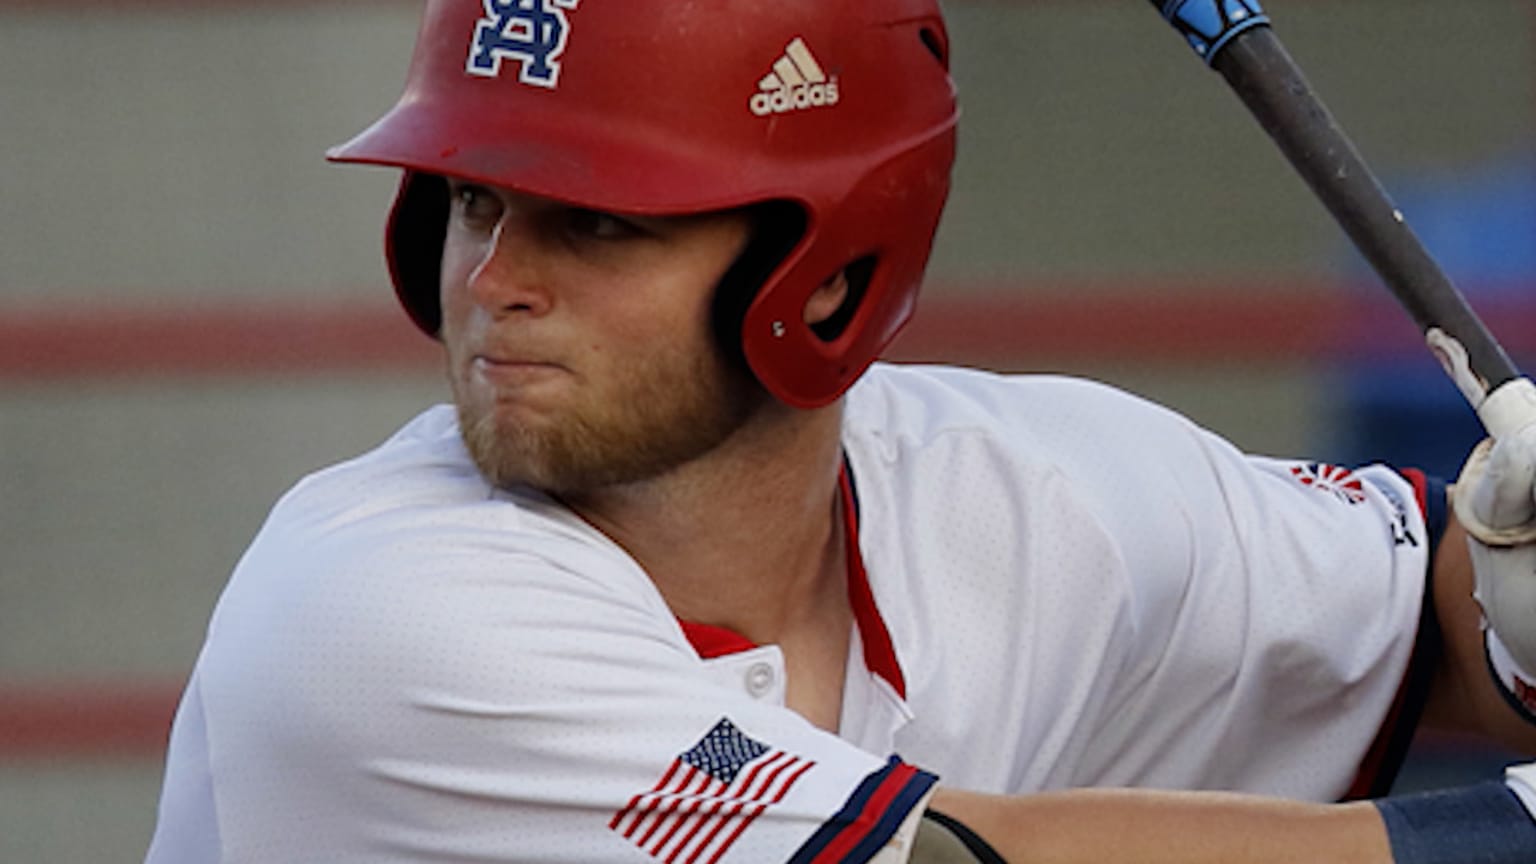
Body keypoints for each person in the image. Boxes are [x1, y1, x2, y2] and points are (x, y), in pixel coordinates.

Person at [145, 1, 1536, 861]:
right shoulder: (371, 612)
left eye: (600, 222)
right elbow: (960, 862)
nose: (495, 279)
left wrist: (1513, 589)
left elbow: (1430, 610)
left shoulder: (1029, 496)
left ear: (831, 267)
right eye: (470, 202)